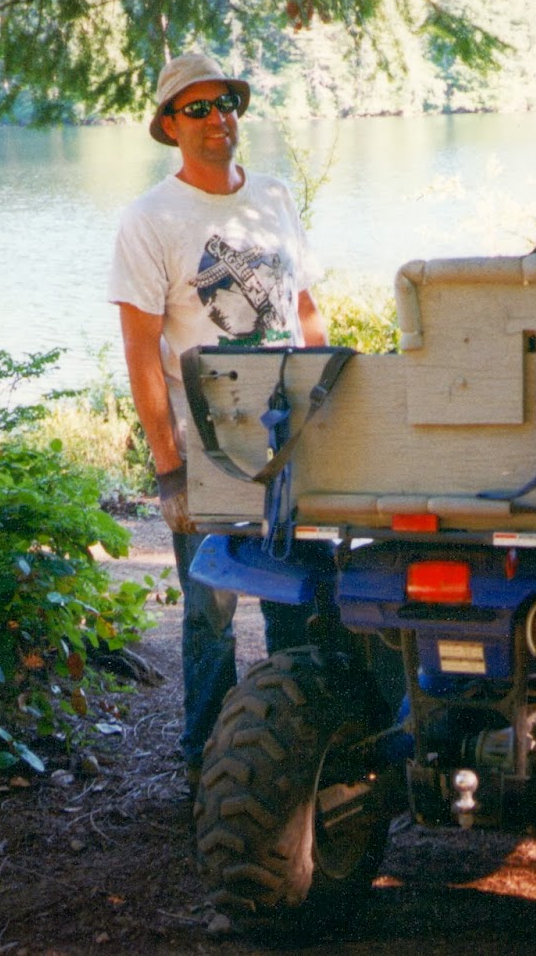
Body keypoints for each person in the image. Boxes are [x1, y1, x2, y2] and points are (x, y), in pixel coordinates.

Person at [109, 52, 327, 789]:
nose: (217, 120)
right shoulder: (148, 220)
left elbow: (304, 311)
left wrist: (329, 407)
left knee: (300, 602)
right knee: (210, 614)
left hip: (292, 438)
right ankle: (206, 763)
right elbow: (142, 354)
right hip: (208, 448)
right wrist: (168, 470)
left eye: (227, 103)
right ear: (170, 125)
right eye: (197, 109)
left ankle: (309, 759)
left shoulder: (274, 197)